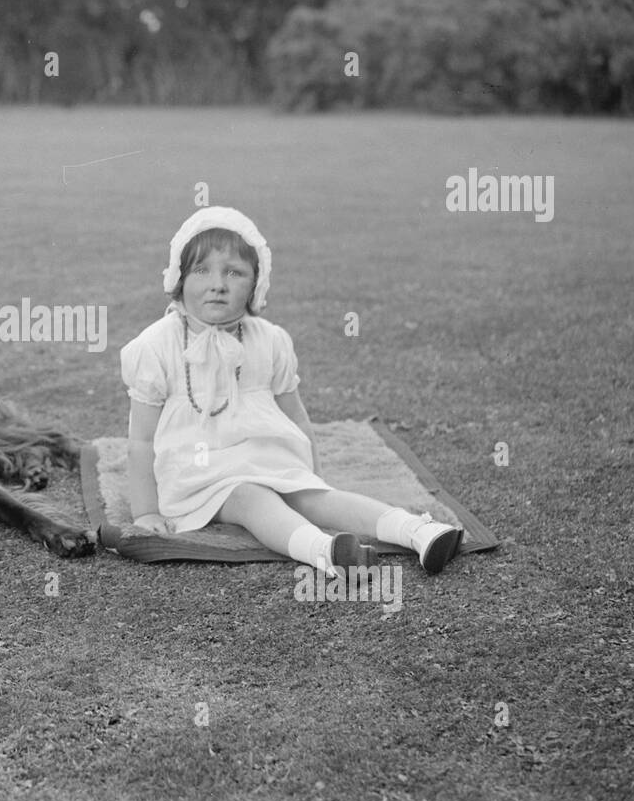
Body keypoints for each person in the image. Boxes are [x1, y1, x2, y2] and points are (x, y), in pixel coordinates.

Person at [120, 206, 462, 577]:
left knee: (311, 496)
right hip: (198, 470)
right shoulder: (156, 346)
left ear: (255, 285)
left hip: (263, 452)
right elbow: (141, 438)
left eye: (234, 272)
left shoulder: (269, 340)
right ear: (179, 278)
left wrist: (312, 472)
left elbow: (295, 414)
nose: (218, 283)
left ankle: (416, 530)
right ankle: (323, 551)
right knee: (249, 497)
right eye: (202, 270)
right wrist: (147, 511)